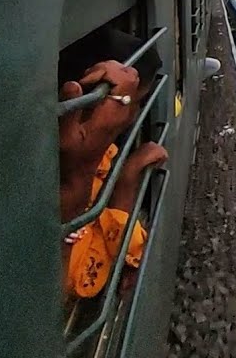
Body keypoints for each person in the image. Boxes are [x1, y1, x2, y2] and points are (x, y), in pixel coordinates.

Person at [57, 28, 168, 300]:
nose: (136, 116)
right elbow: (79, 282)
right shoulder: (77, 159)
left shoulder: (104, 152)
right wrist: (125, 182)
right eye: (136, 104)